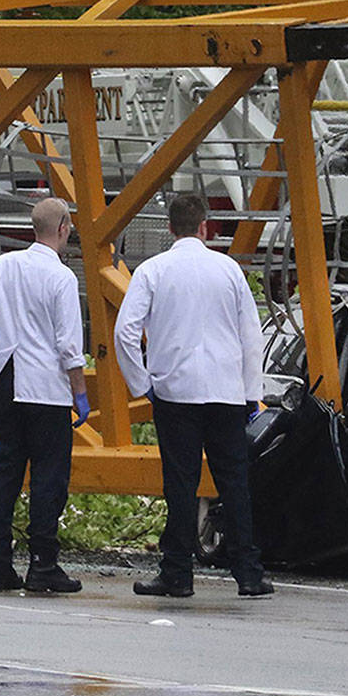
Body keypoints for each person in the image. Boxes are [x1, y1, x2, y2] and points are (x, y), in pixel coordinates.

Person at [114, 193, 274, 598]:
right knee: (234, 482)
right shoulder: (229, 271)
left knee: (180, 484)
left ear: (170, 228)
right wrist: (250, 393)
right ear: (205, 227)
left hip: (175, 391)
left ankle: (177, 573)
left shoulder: (153, 270)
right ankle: (248, 573)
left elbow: (125, 333)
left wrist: (142, 383)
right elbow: (251, 336)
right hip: (225, 391)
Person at [0, 198, 88, 593]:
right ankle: (43, 564)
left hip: (7, 379)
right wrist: (80, 393)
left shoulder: (4, 265)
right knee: (49, 478)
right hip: (46, 386)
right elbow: (68, 345)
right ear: (63, 227)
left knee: (5, 474)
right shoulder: (61, 278)